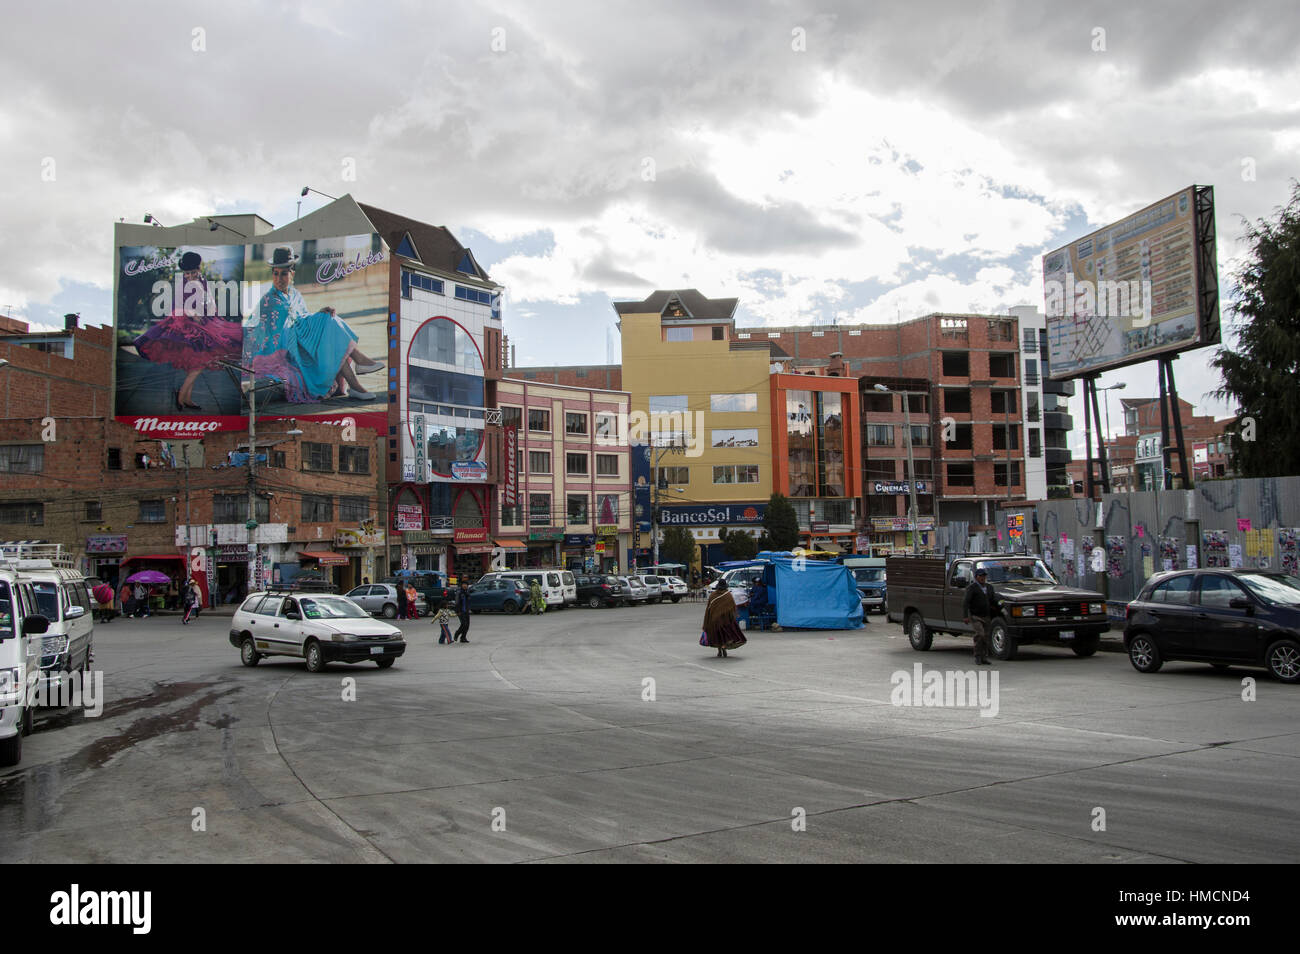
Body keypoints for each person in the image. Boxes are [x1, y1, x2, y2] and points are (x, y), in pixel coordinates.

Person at [242, 246, 384, 404]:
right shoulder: (269, 300)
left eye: (284, 273)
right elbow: (274, 332)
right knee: (327, 325)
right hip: (288, 351)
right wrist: (315, 320)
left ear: (292, 273)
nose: (279, 278)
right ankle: (359, 365)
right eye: (275, 274)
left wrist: (318, 314)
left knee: (328, 321)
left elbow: (302, 318)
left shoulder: (296, 295)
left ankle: (356, 384)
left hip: (302, 342)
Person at [133, 251, 244, 410]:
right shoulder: (182, 285)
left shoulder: (203, 281)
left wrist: (211, 317)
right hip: (186, 326)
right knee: (200, 362)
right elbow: (176, 308)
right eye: (187, 273)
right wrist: (192, 314)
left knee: (197, 363)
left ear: (199, 269)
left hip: (204, 324)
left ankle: (186, 398)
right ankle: (181, 395)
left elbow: (210, 303)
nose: (190, 276)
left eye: (193, 272)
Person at [962, 566, 1000, 665]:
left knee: (986, 637)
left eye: (984, 576)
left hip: (986, 616)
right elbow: (966, 602)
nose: (983, 578)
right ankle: (977, 656)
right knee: (980, 634)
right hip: (975, 616)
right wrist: (965, 616)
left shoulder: (989, 587)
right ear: (976, 577)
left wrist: (999, 605)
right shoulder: (972, 588)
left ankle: (984, 657)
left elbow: (992, 600)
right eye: (981, 576)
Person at [702, 579, 747, 658]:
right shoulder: (728, 595)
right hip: (725, 620)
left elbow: (709, 608)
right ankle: (723, 647)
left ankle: (719, 650)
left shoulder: (713, 595)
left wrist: (709, 619)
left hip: (714, 620)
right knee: (724, 635)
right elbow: (732, 607)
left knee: (717, 635)